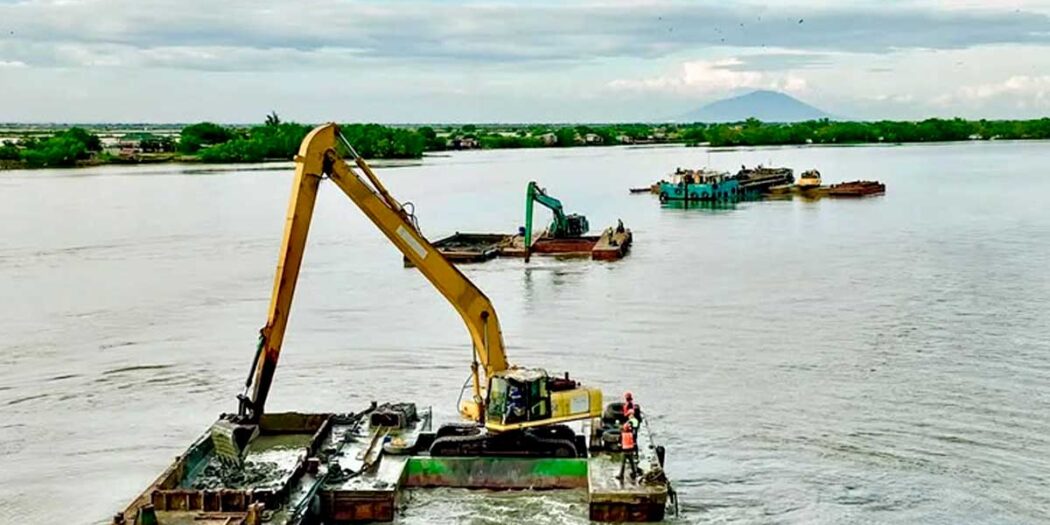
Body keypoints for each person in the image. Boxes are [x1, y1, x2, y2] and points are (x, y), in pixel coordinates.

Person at [618, 412, 640, 481]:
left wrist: (620, 448)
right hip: (630, 450)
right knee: (632, 463)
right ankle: (634, 473)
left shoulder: (622, 434)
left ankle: (621, 475)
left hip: (624, 451)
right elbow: (634, 442)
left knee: (623, 464)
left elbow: (619, 443)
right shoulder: (631, 434)